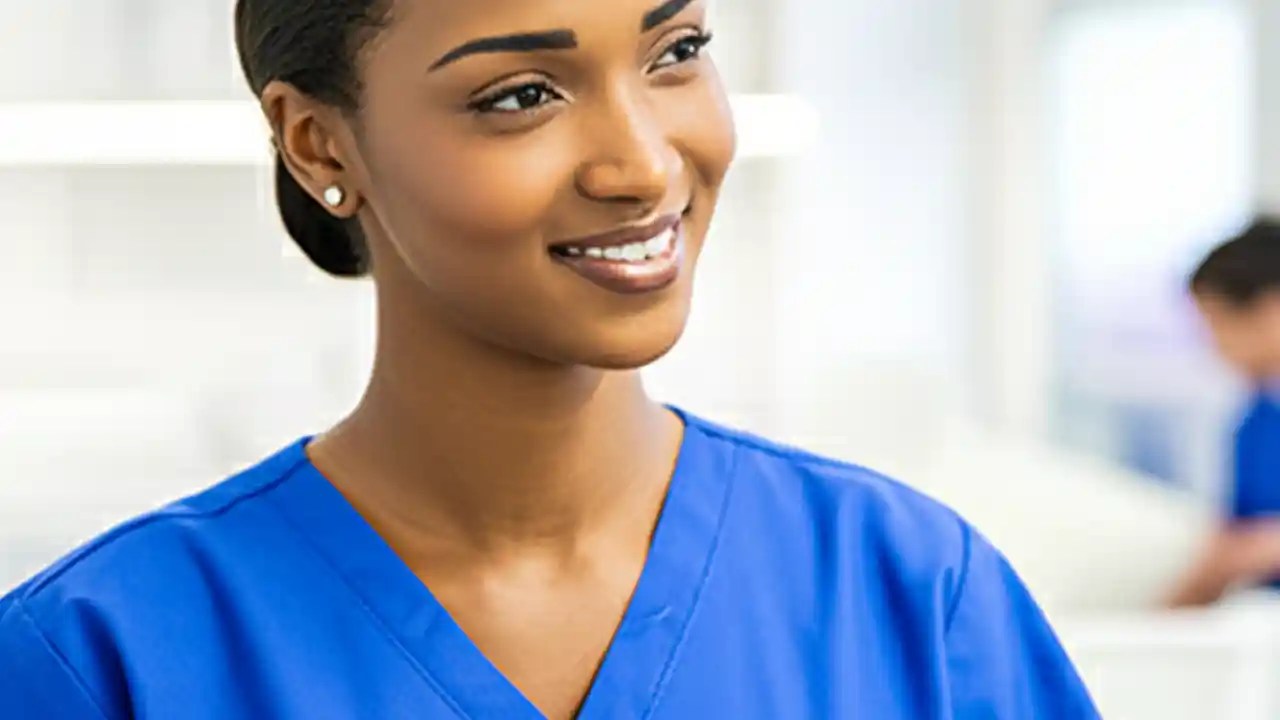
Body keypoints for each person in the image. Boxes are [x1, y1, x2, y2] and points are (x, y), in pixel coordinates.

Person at [0, 1, 1098, 717]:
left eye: (675, 54)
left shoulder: (908, 598)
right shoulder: (103, 661)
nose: (641, 162)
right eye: (519, 96)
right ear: (319, 144)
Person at [1167, 219, 1280, 608]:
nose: (1213, 346)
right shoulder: (1256, 422)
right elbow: (1230, 541)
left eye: (1216, 324)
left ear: (1270, 308)